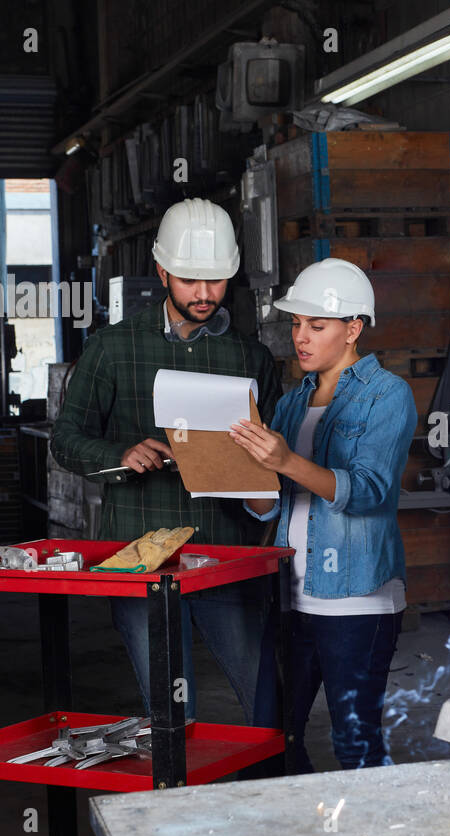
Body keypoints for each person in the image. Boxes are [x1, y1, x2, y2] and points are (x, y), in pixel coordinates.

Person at [51, 198, 282, 726]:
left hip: (226, 547)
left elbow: (274, 455)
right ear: (161, 271)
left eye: (217, 281)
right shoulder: (111, 349)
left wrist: (259, 479)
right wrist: (119, 454)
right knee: (169, 709)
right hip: (138, 551)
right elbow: (65, 439)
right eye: (189, 280)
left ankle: (281, 795)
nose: (204, 294)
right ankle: (177, 804)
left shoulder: (251, 357)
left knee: (266, 699)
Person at [230, 258, 417, 771]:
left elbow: (369, 492)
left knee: (355, 743)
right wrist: (241, 471)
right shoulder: (292, 403)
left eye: (317, 325)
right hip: (293, 595)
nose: (301, 337)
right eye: (296, 324)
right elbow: (271, 503)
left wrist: (286, 460)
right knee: (275, 738)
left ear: (353, 328)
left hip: (357, 602)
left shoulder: (387, 395)